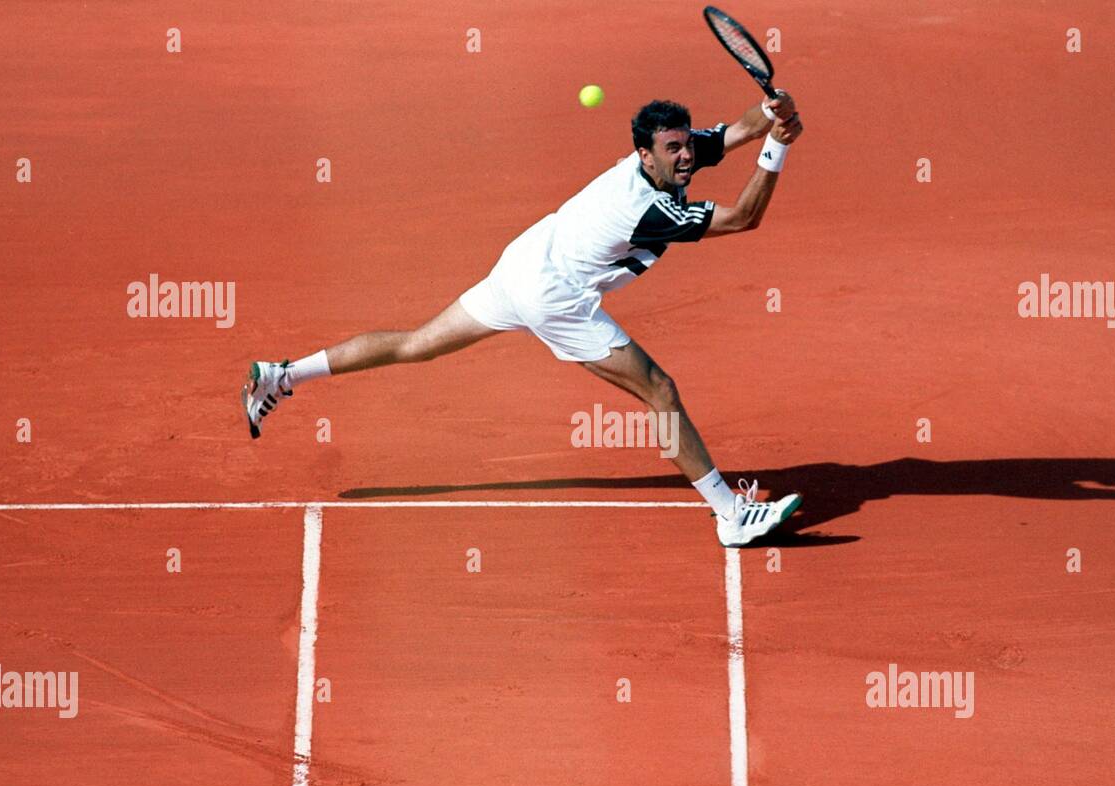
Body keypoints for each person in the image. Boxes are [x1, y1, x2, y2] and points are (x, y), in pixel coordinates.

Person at [243, 94, 805, 547]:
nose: (686, 157)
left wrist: (770, 111)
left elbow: (732, 132)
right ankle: (730, 515)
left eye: (686, 145)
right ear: (644, 155)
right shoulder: (646, 208)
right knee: (659, 389)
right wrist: (776, 149)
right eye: (673, 149)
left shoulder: (659, 159)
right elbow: (743, 219)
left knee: (416, 344)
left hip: (524, 260)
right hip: (553, 295)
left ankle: (282, 375)